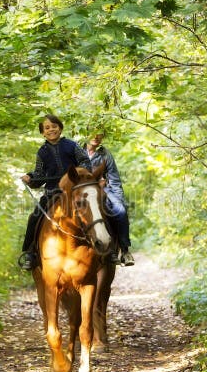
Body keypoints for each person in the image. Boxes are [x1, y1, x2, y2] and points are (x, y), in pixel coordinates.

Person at [19, 114, 91, 270]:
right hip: (52, 193)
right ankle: (30, 253)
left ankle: (109, 247)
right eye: (47, 128)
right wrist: (30, 177)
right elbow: (39, 176)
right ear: (43, 133)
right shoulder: (42, 152)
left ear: (60, 128)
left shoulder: (72, 145)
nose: (51, 130)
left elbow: (85, 162)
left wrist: (78, 173)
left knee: (99, 209)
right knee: (34, 217)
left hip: (75, 191)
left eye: (54, 126)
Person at [85, 132, 134, 266]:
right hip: (82, 190)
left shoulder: (106, 154)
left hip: (104, 190)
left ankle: (124, 250)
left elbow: (115, 180)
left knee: (120, 211)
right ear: (84, 132)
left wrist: (119, 201)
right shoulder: (77, 151)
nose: (96, 137)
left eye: (100, 134)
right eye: (93, 133)